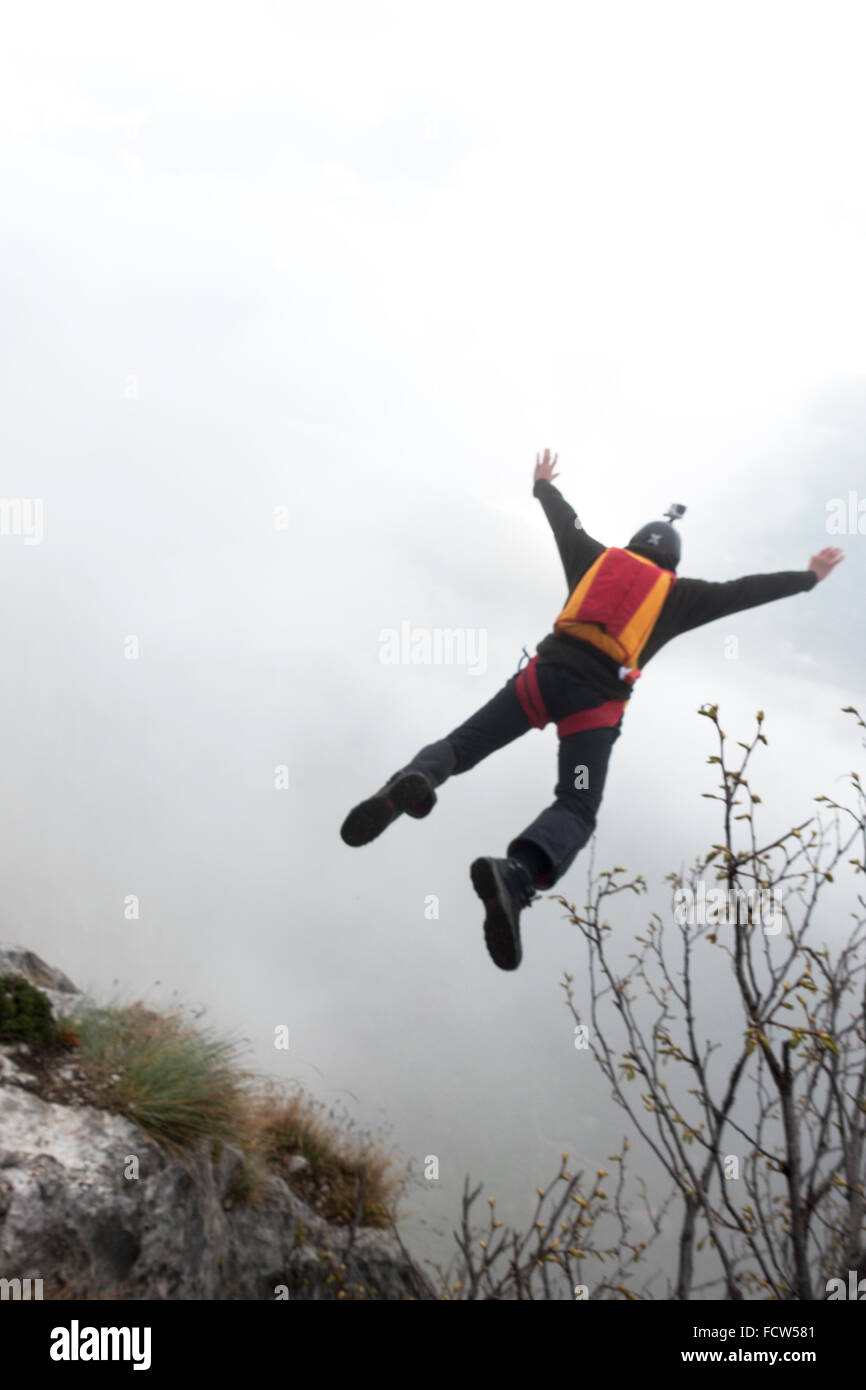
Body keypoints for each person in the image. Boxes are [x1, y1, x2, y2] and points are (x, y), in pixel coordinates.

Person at [340, 449, 844, 972]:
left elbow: (565, 522)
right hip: (590, 711)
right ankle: (517, 871)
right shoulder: (680, 595)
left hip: (538, 682)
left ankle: (416, 779)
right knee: (576, 804)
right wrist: (807, 577)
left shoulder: (593, 558)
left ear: (631, 547)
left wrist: (542, 486)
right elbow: (743, 592)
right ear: (672, 563)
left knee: (463, 745)